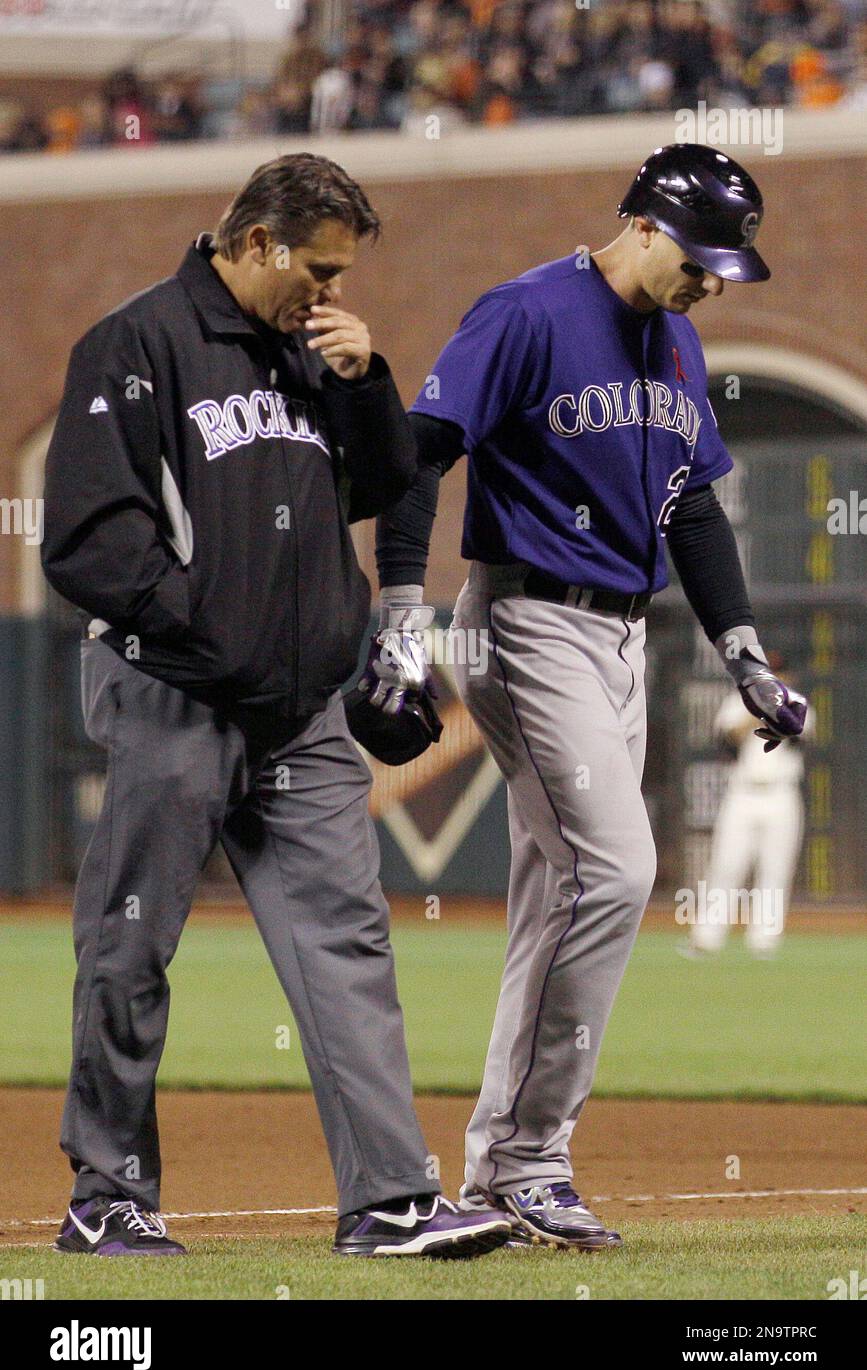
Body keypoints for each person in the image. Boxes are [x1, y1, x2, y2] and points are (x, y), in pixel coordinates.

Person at [41, 153, 510, 1261]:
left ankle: (390, 1199)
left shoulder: (317, 357)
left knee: (345, 939)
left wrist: (362, 382)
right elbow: (87, 539)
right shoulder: (137, 343)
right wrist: (209, 634)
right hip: (176, 692)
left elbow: (395, 484)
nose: (330, 290)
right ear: (255, 241)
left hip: (302, 711)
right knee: (133, 939)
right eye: (318, 268)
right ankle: (106, 1194)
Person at [356, 144, 808, 1249]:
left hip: (622, 636)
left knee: (560, 894)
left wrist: (745, 650)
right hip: (525, 618)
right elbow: (422, 456)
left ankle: (510, 1160)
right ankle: (526, 1160)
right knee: (619, 865)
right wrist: (402, 614)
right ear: (645, 225)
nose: (709, 281)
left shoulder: (680, 340)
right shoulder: (526, 312)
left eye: (724, 267)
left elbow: (692, 510)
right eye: (698, 260)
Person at [686, 658, 813, 959]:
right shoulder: (738, 702)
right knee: (726, 864)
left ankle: (764, 941)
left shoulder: (797, 702)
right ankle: (707, 937)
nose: (776, 677)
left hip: (782, 794)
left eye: (780, 671)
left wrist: (774, 710)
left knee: (776, 867)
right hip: (741, 794)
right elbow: (727, 737)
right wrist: (758, 710)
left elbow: (800, 734)